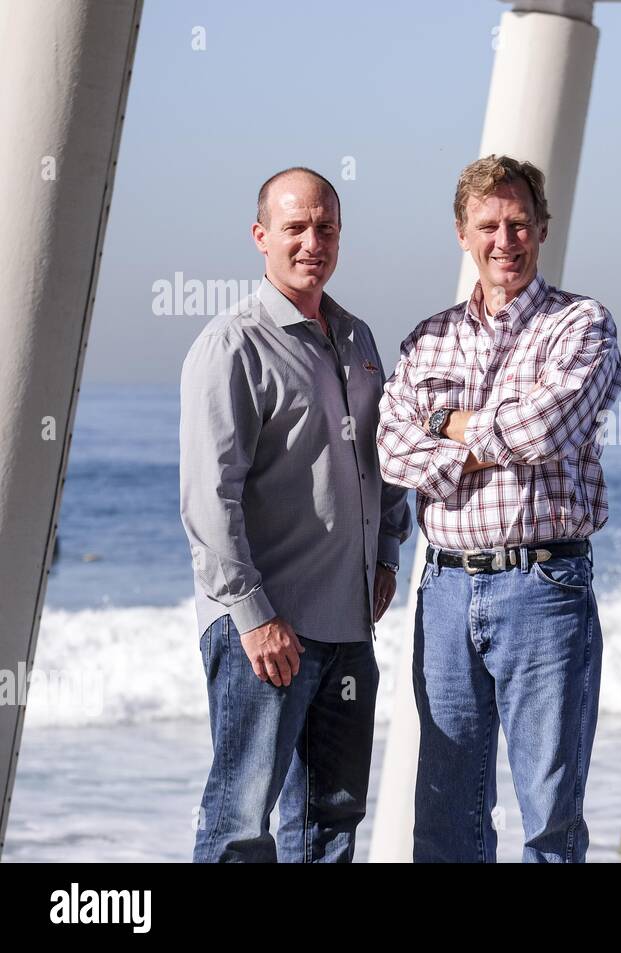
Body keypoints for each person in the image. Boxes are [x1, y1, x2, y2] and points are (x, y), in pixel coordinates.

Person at [377, 154, 621, 862]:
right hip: (447, 588)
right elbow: (392, 452)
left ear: (542, 228)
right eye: (489, 224)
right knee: (447, 815)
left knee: (548, 817)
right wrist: (488, 436)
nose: (504, 240)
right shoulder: (427, 340)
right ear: (462, 232)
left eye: (519, 223)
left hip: (545, 589)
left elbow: (545, 428)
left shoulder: (581, 326)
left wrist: (446, 424)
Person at [180, 167, 410, 862]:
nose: (313, 241)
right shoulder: (233, 345)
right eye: (295, 227)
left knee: (330, 826)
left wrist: (390, 555)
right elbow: (207, 497)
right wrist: (254, 615)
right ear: (261, 237)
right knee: (239, 828)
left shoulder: (359, 339)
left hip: (347, 632)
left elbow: (386, 458)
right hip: (266, 637)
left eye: (326, 227)